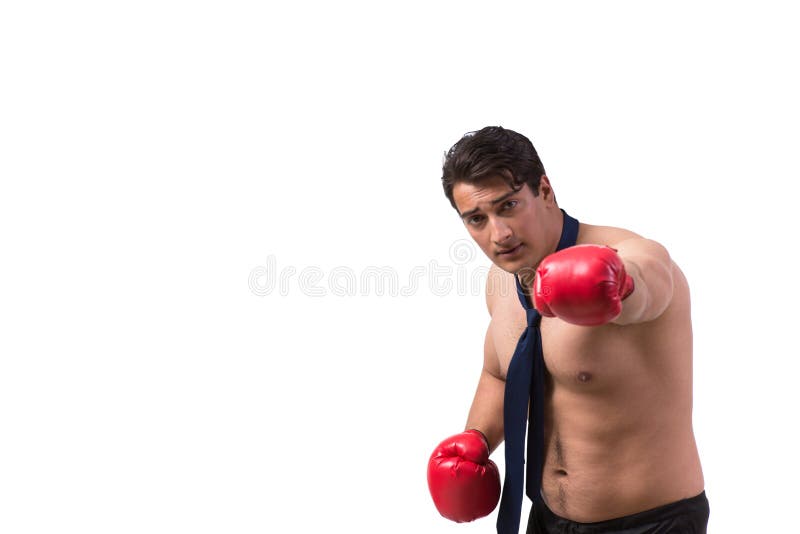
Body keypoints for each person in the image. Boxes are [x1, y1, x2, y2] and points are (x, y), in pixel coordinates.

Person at [426, 126, 709, 533]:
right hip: (547, 519)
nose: (498, 234)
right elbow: (501, 372)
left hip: (649, 524)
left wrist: (617, 282)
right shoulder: (501, 280)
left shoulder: (627, 254)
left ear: (544, 190)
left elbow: (654, 281)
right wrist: (477, 439)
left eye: (508, 206)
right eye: (477, 219)